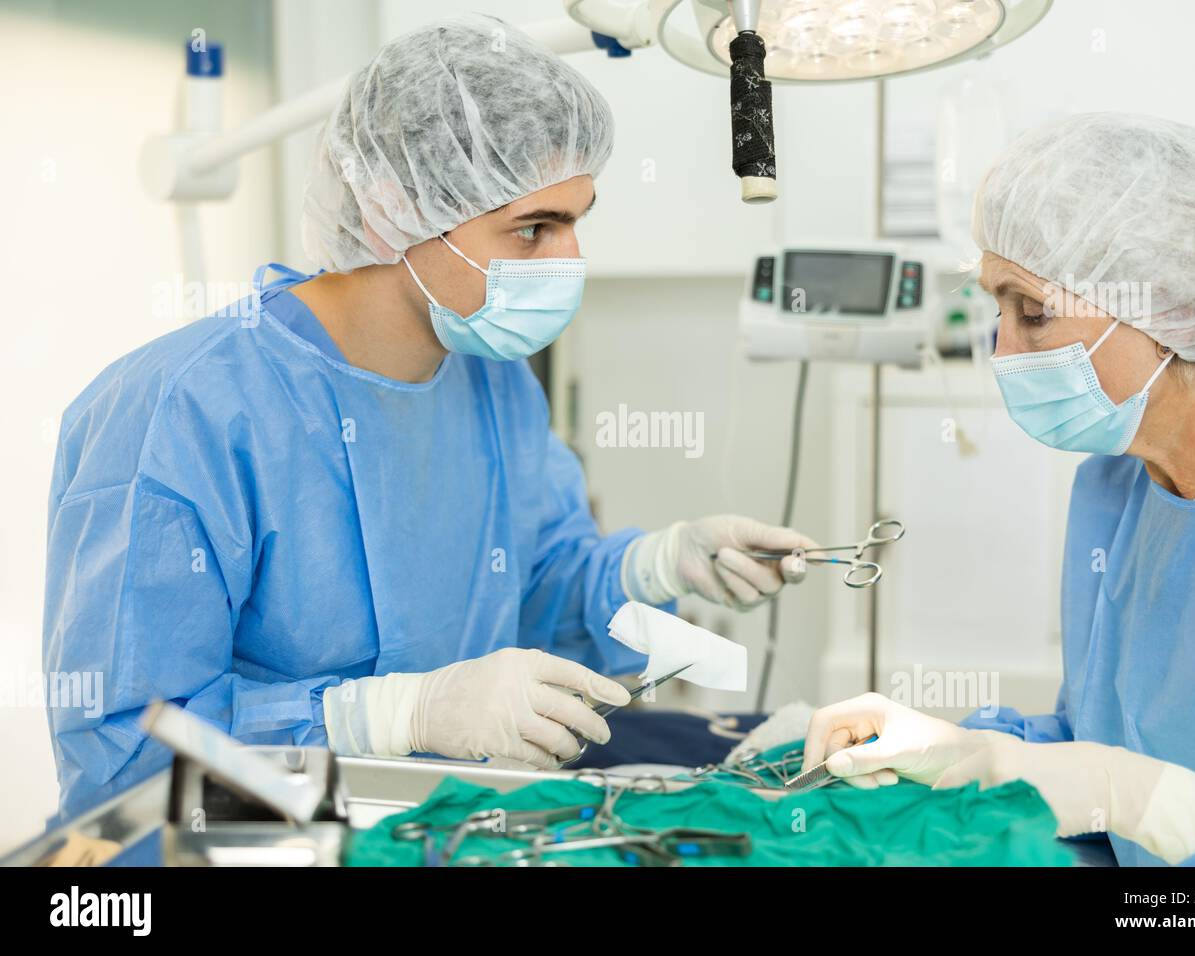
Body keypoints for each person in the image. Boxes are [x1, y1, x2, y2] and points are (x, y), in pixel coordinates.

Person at [42, 15, 813, 818]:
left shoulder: (492, 379)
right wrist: (388, 716)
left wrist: (660, 566)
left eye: (577, 220)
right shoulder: (182, 413)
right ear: (391, 207)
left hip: (443, 819)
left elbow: (536, 587)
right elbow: (124, 752)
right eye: (533, 229)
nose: (568, 261)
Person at [801, 112, 1195, 866]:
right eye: (996, 311)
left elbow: (1121, 782)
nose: (1002, 351)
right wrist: (968, 751)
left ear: (1179, 306)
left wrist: (1122, 792)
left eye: (1031, 311)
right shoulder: (1116, 487)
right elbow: (1108, 745)